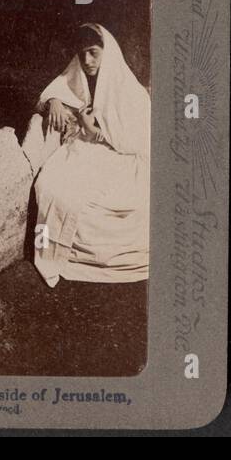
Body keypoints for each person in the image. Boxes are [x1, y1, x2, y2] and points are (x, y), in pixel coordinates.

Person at [21, 23, 150, 286]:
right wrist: (55, 101)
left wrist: (93, 129)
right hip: (86, 149)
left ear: (107, 53)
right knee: (49, 185)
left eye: (93, 53)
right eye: (82, 55)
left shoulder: (129, 89)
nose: (87, 61)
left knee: (90, 200)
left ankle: (70, 256)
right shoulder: (80, 73)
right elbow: (58, 88)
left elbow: (134, 141)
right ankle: (51, 250)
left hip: (122, 157)